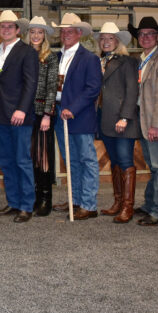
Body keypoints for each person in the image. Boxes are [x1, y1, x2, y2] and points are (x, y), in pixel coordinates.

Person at [51, 13, 102, 219]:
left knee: (87, 159)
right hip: (59, 114)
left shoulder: (90, 59)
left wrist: (73, 107)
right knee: (70, 160)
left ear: (79, 33)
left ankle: (89, 204)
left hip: (79, 116)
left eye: (70, 31)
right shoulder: (56, 57)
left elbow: (93, 88)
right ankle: (76, 200)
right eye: (63, 31)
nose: (66, 35)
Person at [0, 11, 39, 222]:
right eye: (3, 26)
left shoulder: (27, 52)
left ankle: (27, 206)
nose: (6, 29)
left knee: (22, 160)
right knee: (7, 161)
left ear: (18, 30)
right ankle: (13, 202)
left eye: (10, 26)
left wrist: (22, 109)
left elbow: (31, 83)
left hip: (19, 114)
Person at [129, 17, 158, 226]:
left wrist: (156, 124)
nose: (145, 37)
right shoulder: (140, 60)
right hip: (143, 119)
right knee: (152, 165)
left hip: (156, 122)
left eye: (150, 34)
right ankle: (150, 205)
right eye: (142, 34)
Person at [93, 22, 139, 223]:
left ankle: (128, 206)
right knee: (115, 162)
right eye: (102, 38)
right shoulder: (100, 61)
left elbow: (132, 91)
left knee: (126, 161)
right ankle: (118, 201)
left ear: (117, 41)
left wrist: (125, 117)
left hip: (122, 120)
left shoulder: (127, 62)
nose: (105, 42)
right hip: (105, 118)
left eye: (110, 38)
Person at [26, 16, 58, 217]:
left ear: (44, 35)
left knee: (43, 156)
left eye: (40, 32)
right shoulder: (23, 54)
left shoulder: (50, 57)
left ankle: (46, 198)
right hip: (25, 112)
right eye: (32, 32)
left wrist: (47, 113)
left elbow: (52, 87)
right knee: (29, 156)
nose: (36, 35)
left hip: (42, 113)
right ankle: (34, 196)